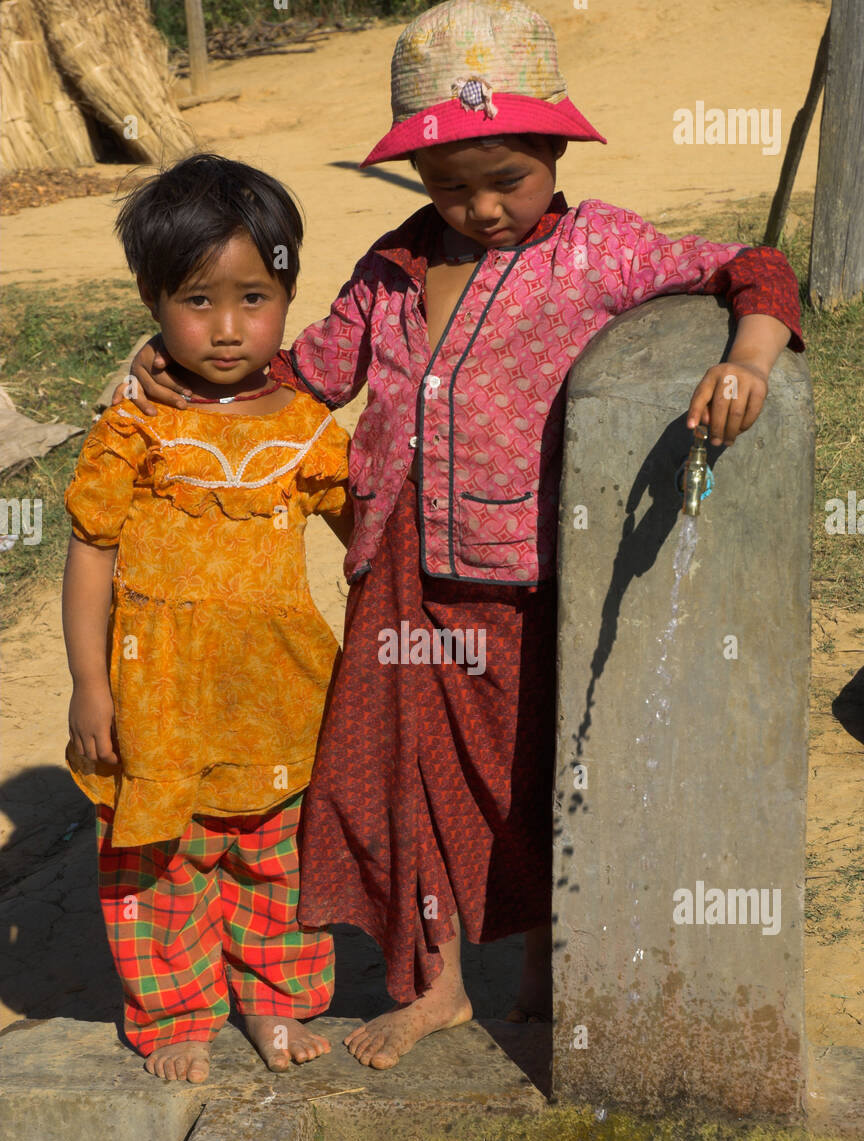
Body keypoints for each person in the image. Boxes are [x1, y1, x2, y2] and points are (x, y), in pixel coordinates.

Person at [121, 1, 805, 1071]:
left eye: (508, 180)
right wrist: (182, 373)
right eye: (451, 187)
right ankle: (434, 987)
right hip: (394, 565)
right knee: (404, 780)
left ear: (555, 151)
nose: (481, 208)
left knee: (527, 777)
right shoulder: (392, 269)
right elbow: (305, 376)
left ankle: (541, 976)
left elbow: (752, 267)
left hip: (519, 572)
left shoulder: (597, 254)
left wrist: (751, 361)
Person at [64, 154, 352, 1083]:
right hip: (158, 698)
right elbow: (92, 550)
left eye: (254, 298)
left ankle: (275, 1008)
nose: (227, 330)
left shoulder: (307, 426)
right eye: (197, 300)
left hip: (281, 695)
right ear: (153, 303)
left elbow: (369, 536)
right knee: (161, 865)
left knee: (278, 861)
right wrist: (88, 682)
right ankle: (180, 1014)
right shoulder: (135, 425)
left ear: (287, 291)